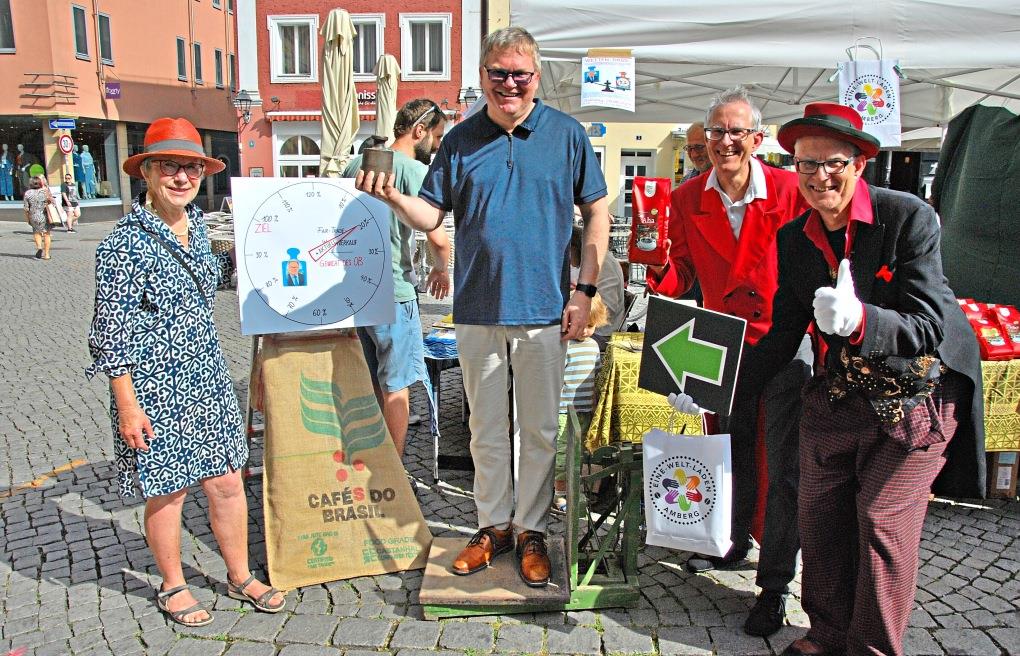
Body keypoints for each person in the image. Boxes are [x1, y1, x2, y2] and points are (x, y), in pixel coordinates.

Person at [729, 102, 984, 656]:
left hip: (918, 391)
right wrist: (718, 385)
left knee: (880, 521)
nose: (820, 177)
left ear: (860, 164)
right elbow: (779, 337)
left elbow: (928, 325)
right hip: (842, 389)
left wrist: (862, 319)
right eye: (806, 165)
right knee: (819, 513)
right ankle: (826, 633)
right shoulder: (794, 239)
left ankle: (871, 648)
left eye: (834, 164)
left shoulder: (907, 217)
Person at [358, 26, 610, 588]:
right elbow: (430, 217)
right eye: (499, 74)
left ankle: (533, 529)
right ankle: (493, 526)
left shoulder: (567, 135)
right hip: (475, 309)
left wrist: (585, 289)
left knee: (540, 430)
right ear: (483, 78)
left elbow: (597, 213)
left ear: (536, 76)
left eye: (520, 74)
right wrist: (392, 196)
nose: (510, 84)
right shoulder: (461, 138)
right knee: (487, 432)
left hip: (545, 309)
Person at [87, 117, 285, 628]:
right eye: (170, 167)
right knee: (167, 490)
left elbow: (227, 281)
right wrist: (127, 404)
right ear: (147, 173)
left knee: (227, 484)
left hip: (208, 380)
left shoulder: (201, 231)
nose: (182, 177)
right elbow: (109, 333)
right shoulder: (122, 244)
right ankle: (173, 584)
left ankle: (239, 574)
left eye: (191, 167)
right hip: (151, 390)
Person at [649, 86, 811, 637]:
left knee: (781, 466)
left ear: (757, 139)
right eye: (716, 132)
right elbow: (684, 272)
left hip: (784, 343)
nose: (725, 141)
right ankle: (734, 540)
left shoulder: (792, 189)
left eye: (736, 131)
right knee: (730, 450)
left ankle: (774, 584)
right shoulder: (687, 197)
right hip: (723, 344)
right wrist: (650, 267)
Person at [342, 99, 451, 457]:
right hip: (395, 291)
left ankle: (373, 456)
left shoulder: (354, 164)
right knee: (398, 385)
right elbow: (436, 233)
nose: (436, 147)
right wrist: (441, 266)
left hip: (355, 290)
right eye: (436, 138)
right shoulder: (414, 171)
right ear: (419, 131)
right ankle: (395, 472)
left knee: (373, 379)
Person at [554, 291, 607, 511]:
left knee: (583, 451)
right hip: (564, 411)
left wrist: (596, 406)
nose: (584, 331)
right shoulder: (563, 346)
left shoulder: (594, 346)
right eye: (581, 325)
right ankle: (560, 492)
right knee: (562, 452)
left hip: (585, 409)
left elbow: (594, 378)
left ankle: (581, 488)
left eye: (591, 326)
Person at [22, 176, 51, 260]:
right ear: (40, 183)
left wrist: (28, 219)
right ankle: (47, 255)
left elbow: (26, 208)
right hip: (44, 215)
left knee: (36, 232)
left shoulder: (27, 193)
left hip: (33, 216)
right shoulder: (44, 191)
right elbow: (50, 202)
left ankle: (39, 248)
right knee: (46, 234)